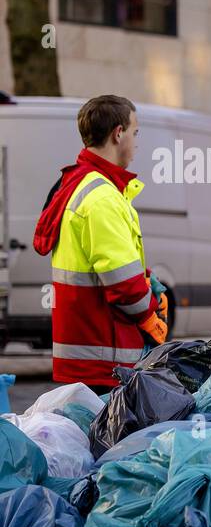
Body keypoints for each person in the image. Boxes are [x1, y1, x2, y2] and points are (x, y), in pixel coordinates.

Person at [33, 95, 167, 390]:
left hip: (86, 353)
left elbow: (109, 268)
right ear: (118, 133)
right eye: (135, 133)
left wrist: (146, 281)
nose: (136, 142)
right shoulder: (103, 197)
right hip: (104, 358)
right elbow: (123, 285)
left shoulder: (81, 184)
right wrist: (151, 317)